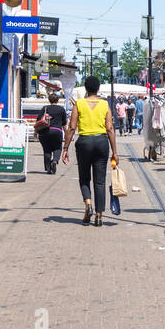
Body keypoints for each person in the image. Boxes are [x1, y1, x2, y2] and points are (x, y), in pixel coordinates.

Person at [61, 75, 119, 226]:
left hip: (84, 142)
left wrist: (65, 148)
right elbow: (110, 128)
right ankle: (99, 216)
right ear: (98, 88)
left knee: (84, 177)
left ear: (86, 88)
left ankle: (88, 204)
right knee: (100, 181)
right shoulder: (105, 105)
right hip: (101, 142)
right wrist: (115, 152)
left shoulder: (79, 104)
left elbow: (72, 127)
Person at [35, 91, 66, 174]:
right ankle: (55, 161)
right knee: (58, 148)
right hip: (57, 131)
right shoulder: (61, 109)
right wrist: (66, 134)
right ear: (58, 100)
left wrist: (35, 132)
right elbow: (64, 124)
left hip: (45, 131)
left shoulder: (45, 108)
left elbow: (38, 121)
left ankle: (48, 168)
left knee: (47, 150)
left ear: (49, 100)